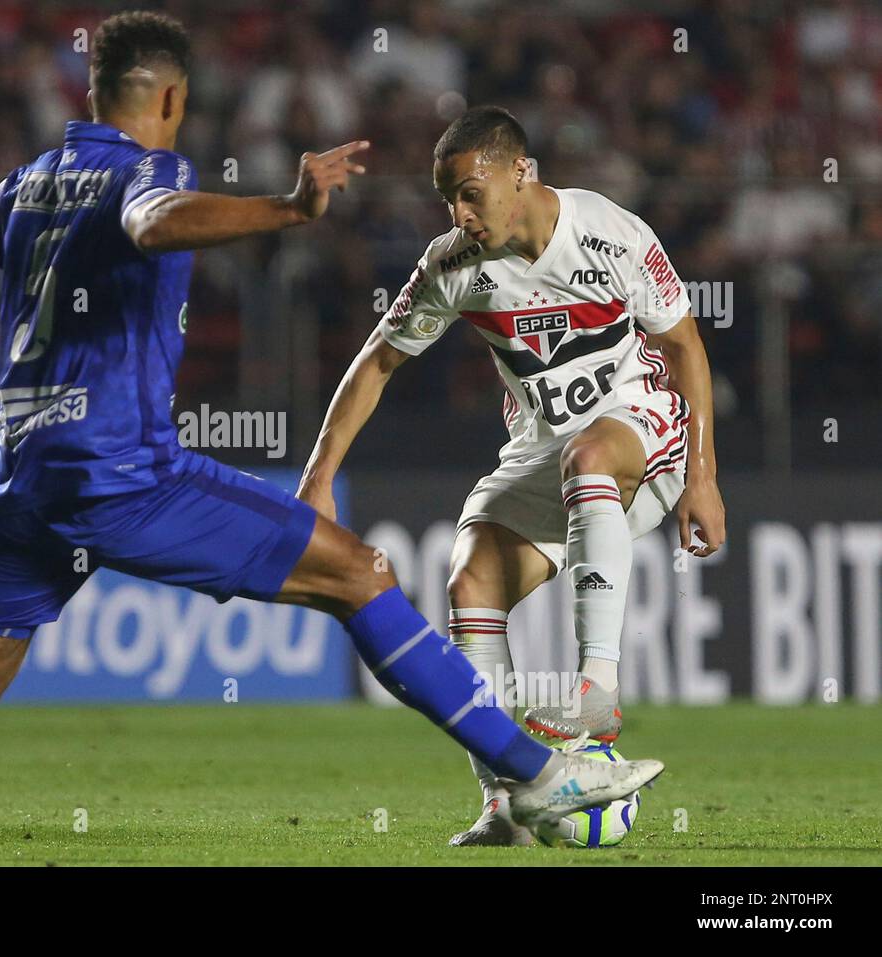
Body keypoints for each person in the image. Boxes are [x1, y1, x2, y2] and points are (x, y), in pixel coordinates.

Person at [0, 16, 661, 858]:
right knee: (362, 575)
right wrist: (285, 209)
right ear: (168, 95)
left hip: (21, 478)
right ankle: (539, 773)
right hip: (120, 472)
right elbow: (155, 223)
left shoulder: (30, 179)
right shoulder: (149, 170)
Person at [298, 105, 722, 846]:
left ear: (522, 173)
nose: (460, 214)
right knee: (471, 581)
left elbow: (685, 342)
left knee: (588, 455)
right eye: (447, 199)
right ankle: (509, 800)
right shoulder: (454, 264)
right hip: (544, 446)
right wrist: (319, 475)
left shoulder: (610, 233)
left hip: (641, 422)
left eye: (469, 192)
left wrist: (705, 478)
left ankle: (597, 690)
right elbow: (378, 362)